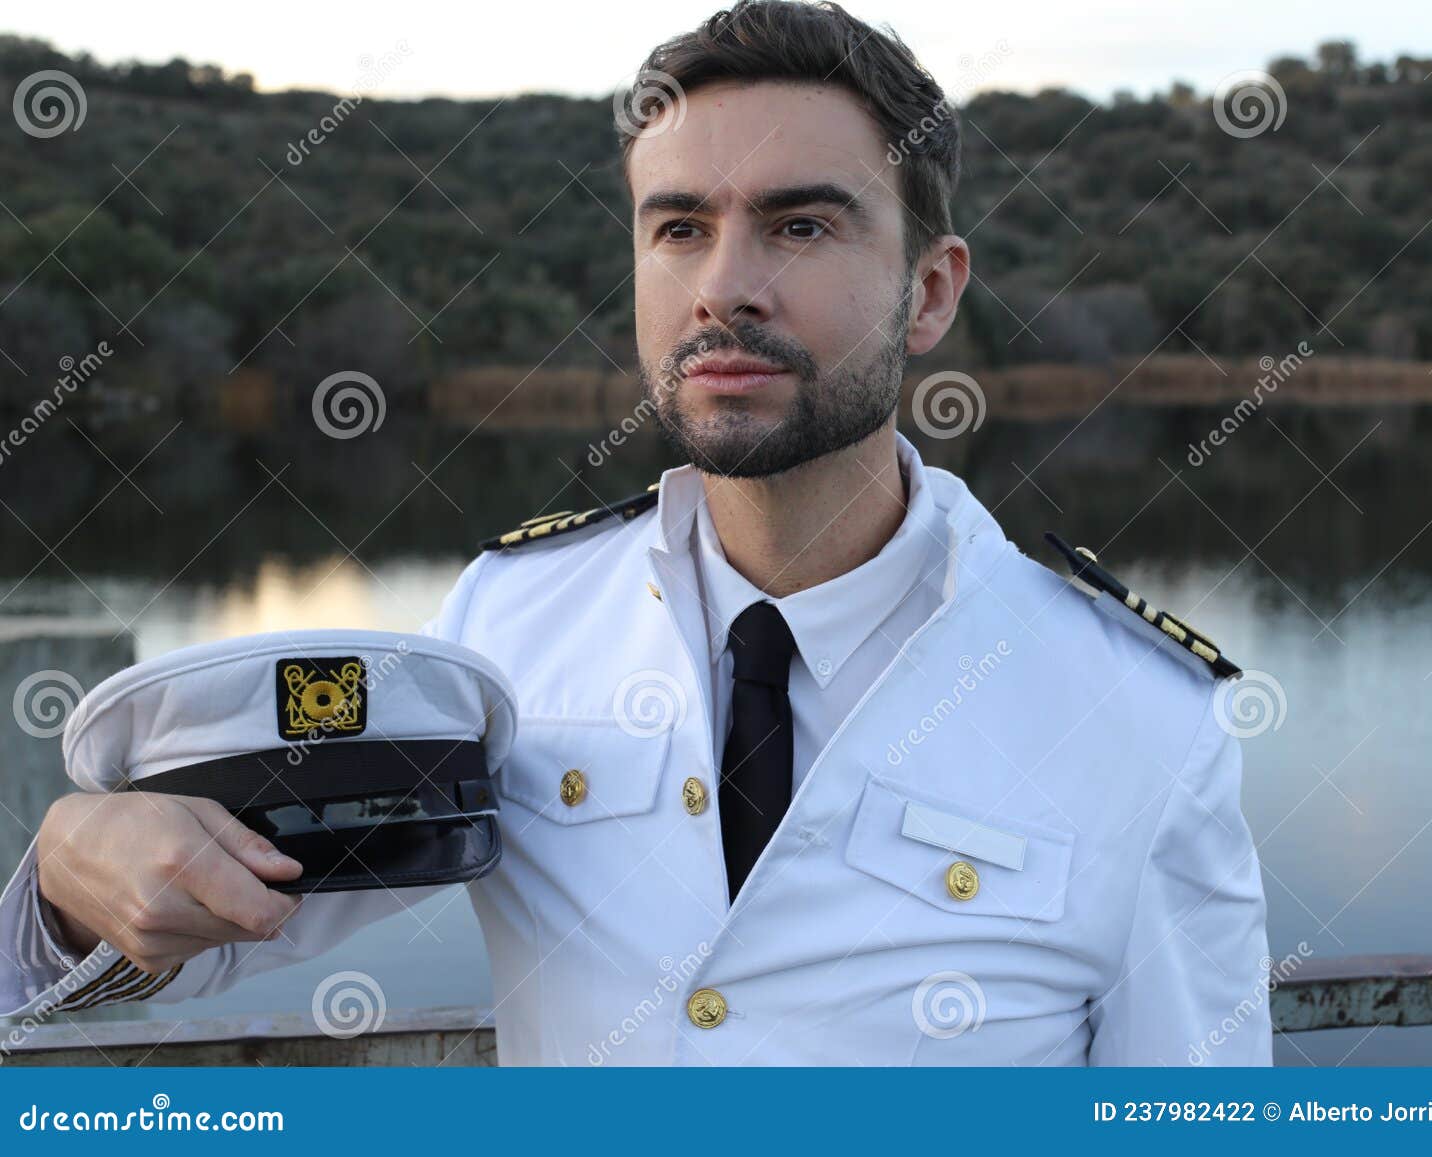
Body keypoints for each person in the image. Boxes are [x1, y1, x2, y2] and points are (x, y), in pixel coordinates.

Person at [0, 0, 1270, 1065]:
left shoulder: (1136, 713)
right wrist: (74, 872)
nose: (724, 283)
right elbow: (202, 932)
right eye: (679, 228)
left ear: (929, 291)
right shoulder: (512, 623)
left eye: (801, 225)